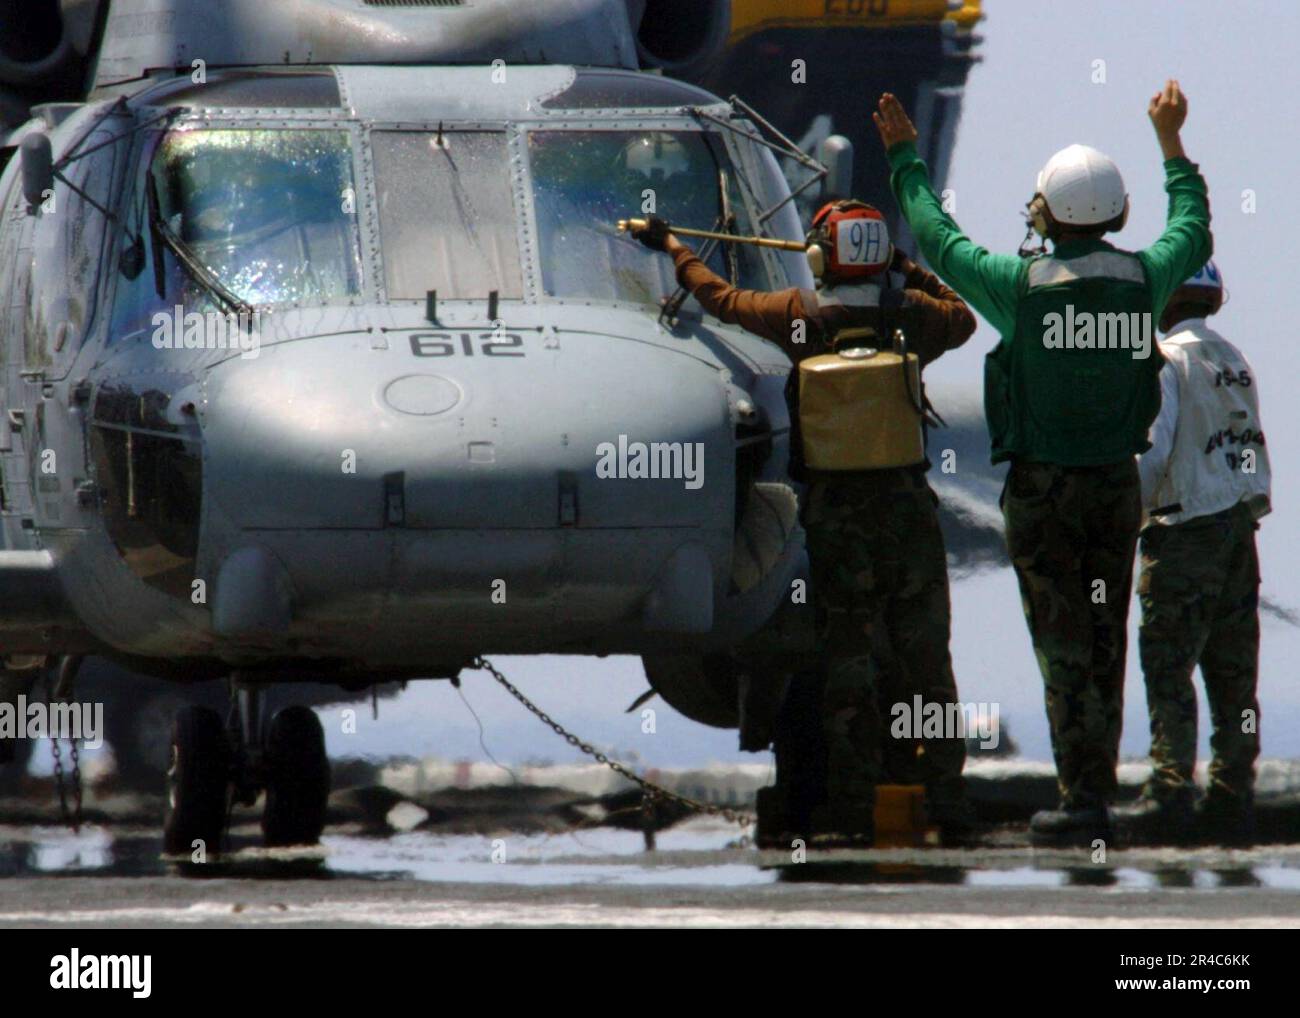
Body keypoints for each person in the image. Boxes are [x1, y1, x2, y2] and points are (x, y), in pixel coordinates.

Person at [873, 81, 1212, 843]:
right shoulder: (1143, 280)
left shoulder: (1020, 288)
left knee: (1061, 648)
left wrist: (904, 158)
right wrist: (1170, 140)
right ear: (1119, 215)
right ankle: (1095, 792)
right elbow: (1193, 226)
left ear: (1045, 214)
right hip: (1116, 491)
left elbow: (936, 236)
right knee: (1103, 637)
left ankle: (1083, 799)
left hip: (1043, 494)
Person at [630, 201, 977, 843]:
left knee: (849, 662)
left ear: (820, 258)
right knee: (928, 662)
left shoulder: (798, 318)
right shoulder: (913, 320)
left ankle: (848, 811)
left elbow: (719, 298)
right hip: (909, 518)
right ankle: (946, 802)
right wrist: (906, 267)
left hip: (837, 520)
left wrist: (674, 245)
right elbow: (964, 315)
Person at [1113, 261, 1270, 844]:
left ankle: (1171, 792)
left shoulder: (1166, 361)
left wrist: (1122, 519)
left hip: (1183, 535)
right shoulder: (1235, 361)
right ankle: (1233, 796)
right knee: (1234, 675)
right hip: (1239, 531)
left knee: (1169, 667)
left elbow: (1151, 452)